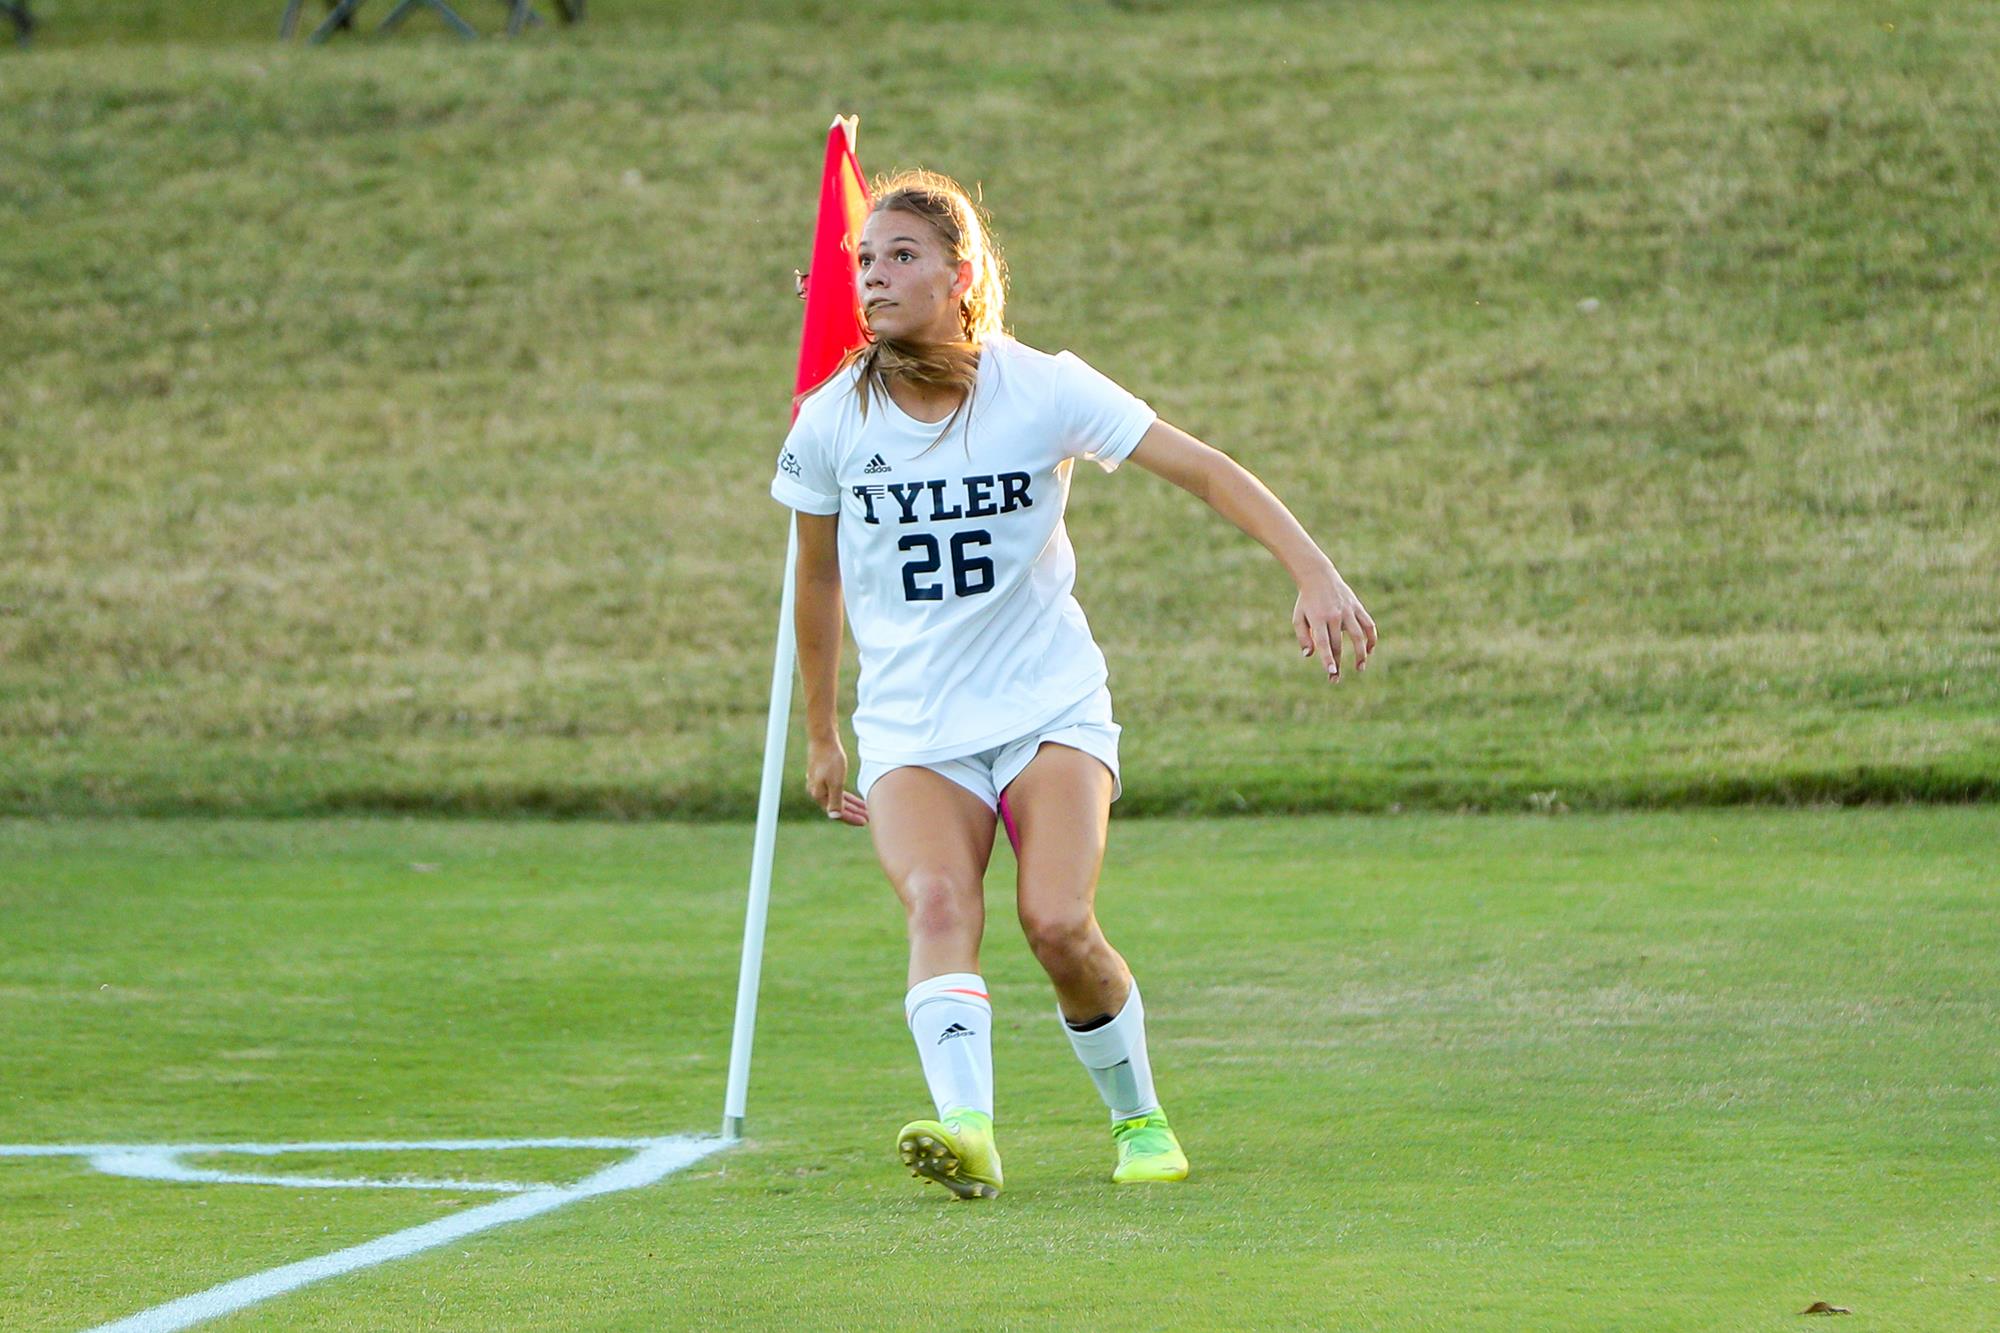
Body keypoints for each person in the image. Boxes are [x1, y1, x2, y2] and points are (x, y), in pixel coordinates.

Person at [769, 169, 1375, 1200]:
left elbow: (1204, 468)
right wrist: (822, 734)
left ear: (960, 276)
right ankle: (967, 1131)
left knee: (1055, 921)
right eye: (862, 260)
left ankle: (1138, 1116)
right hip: (914, 728)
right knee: (934, 900)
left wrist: (1311, 568)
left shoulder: (1040, 385)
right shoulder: (831, 419)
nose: (873, 275)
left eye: (900, 256)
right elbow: (816, 577)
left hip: (1048, 709)